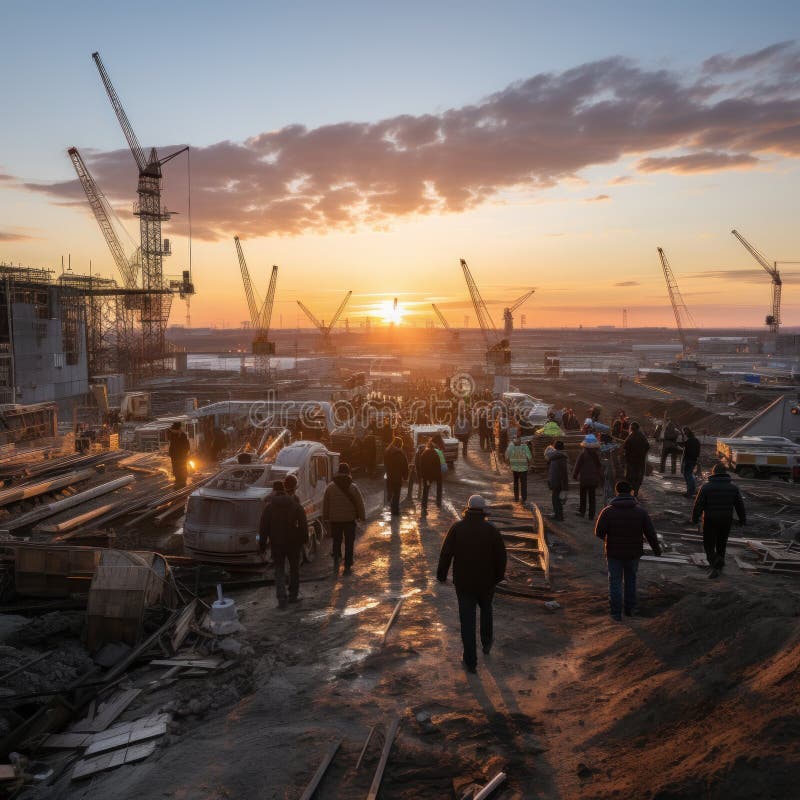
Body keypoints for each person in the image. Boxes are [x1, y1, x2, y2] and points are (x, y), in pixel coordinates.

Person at [437, 495, 507, 674]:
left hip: (464, 583)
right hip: (486, 582)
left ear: (467, 509)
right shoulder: (491, 530)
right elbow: (501, 557)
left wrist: (441, 575)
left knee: (467, 621)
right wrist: (497, 577)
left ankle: (470, 662)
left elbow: (446, 553)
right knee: (486, 611)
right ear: (484, 512)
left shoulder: (457, 528)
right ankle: (487, 642)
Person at [595, 480, 661, 621]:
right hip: (633, 553)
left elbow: (599, 532)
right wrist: (657, 550)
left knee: (615, 582)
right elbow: (650, 533)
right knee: (631, 580)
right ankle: (630, 609)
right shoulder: (641, 512)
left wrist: (610, 540)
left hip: (614, 553)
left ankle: (616, 613)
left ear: (616, 492)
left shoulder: (608, 511)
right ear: (631, 492)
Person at [691, 463, 746, 578]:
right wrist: (742, 519)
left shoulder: (706, 487)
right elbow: (740, 505)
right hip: (726, 520)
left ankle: (715, 562)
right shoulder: (733, 488)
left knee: (709, 545)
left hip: (710, 520)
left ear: (713, 473)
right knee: (722, 543)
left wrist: (695, 518)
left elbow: (698, 505)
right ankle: (719, 566)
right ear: (726, 473)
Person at [259, 480, 305, 608]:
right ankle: (293, 596)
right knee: (294, 569)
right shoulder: (295, 505)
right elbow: (303, 524)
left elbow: (263, 528)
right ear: (284, 490)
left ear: (274, 491)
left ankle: (281, 599)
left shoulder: (269, 508)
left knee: (279, 570)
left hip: (277, 544)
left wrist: (261, 545)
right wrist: (304, 540)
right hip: (294, 543)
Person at [322, 462, 366, 575]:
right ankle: (347, 566)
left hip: (335, 520)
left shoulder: (330, 487)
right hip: (349, 520)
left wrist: (325, 518)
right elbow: (360, 503)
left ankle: (336, 560)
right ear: (348, 472)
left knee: (336, 541)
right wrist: (362, 517)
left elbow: (325, 504)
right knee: (349, 543)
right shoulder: (353, 486)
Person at [573, 433, 603, 519]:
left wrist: (575, 475)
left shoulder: (582, 454)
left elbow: (577, 466)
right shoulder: (596, 455)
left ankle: (582, 512)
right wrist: (601, 479)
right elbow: (599, 467)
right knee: (592, 497)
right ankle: (591, 515)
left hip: (584, 479)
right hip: (593, 480)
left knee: (583, 496)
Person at [622, 421, 650, 497]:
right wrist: (643, 453)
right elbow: (647, 446)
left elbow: (625, 446)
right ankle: (636, 491)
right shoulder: (642, 436)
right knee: (638, 476)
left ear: (632, 428)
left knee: (630, 476)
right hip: (640, 460)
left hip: (631, 460)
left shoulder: (631, 436)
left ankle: (630, 492)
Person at [384, 436, 409, 516]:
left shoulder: (387, 451)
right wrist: (405, 477)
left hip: (389, 476)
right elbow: (405, 465)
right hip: (397, 477)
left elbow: (385, 464)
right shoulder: (400, 453)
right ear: (400, 444)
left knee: (391, 493)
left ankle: (392, 507)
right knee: (396, 494)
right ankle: (395, 511)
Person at [545, 440, 569, 520]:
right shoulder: (561, 457)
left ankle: (558, 516)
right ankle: (558, 515)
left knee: (555, 500)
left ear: (555, 447)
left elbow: (551, 470)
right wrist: (565, 486)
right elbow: (564, 474)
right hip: (558, 482)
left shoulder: (554, 457)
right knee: (557, 500)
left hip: (555, 481)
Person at [418, 438, 443, 514]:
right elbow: (439, 465)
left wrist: (422, 476)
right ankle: (438, 501)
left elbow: (421, 465)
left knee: (425, 491)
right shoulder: (436, 453)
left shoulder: (424, 453)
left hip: (427, 476)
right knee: (439, 486)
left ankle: (423, 508)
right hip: (435, 475)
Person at [505, 436, 532, 504]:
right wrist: (529, 463)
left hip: (514, 468)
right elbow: (529, 457)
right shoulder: (525, 447)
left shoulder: (511, 447)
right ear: (520, 442)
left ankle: (516, 498)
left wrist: (508, 462)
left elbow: (506, 456)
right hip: (523, 468)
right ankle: (523, 498)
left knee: (516, 483)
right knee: (523, 484)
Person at [167, 421, 190, 489]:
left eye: (173, 429)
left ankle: (181, 480)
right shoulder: (174, 435)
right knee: (177, 468)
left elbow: (186, 446)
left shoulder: (181, 435)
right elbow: (187, 445)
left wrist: (184, 453)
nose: (172, 430)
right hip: (176, 455)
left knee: (179, 467)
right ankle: (179, 479)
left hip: (179, 455)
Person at [681, 428, 701, 498]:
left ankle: (690, 492)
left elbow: (686, 450)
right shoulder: (696, 441)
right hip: (693, 460)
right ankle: (691, 491)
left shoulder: (689, 441)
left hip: (688, 460)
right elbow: (698, 451)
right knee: (690, 475)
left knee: (688, 475)